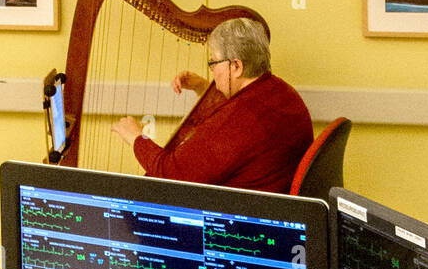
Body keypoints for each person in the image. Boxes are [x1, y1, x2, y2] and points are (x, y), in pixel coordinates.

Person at [110, 16, 313, 193]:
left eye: (214, 62)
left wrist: (136, 137)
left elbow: (171, 175)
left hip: (236, 225)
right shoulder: (281, 92)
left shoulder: (241, 119)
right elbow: (241, 136)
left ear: (236, 66)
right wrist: (202, 87)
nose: (212, 71)